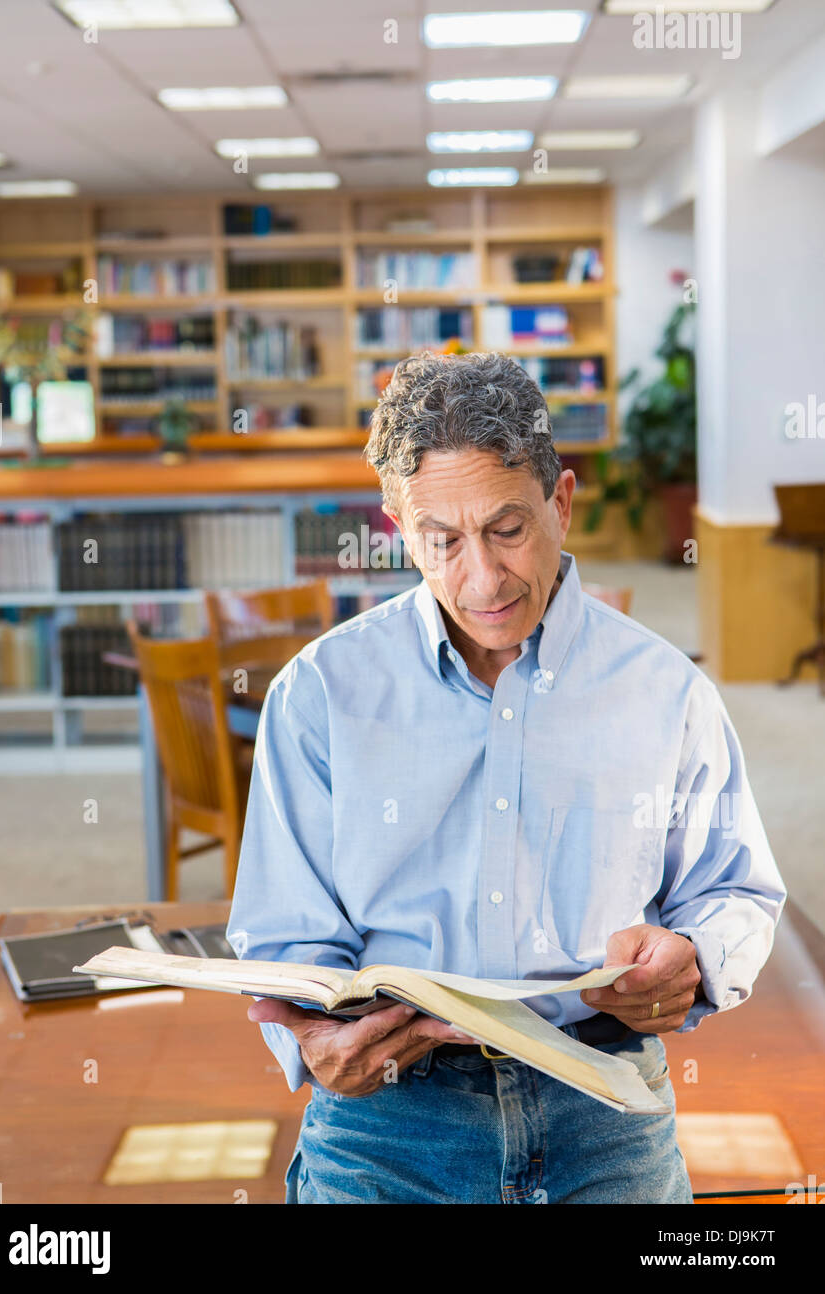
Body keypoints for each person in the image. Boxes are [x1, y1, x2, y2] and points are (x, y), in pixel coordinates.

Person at [227, 351, 786, 1204]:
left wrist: (696, 957)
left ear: (561, 503)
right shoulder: (320, 693)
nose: (482, 580)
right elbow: (284, 931)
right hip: (390, 1116)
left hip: (602, 1098)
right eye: (442, 541)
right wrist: (310, 1041)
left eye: (507, 529)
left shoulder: (666, 690)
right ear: (397, 527)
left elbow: (735, 891)